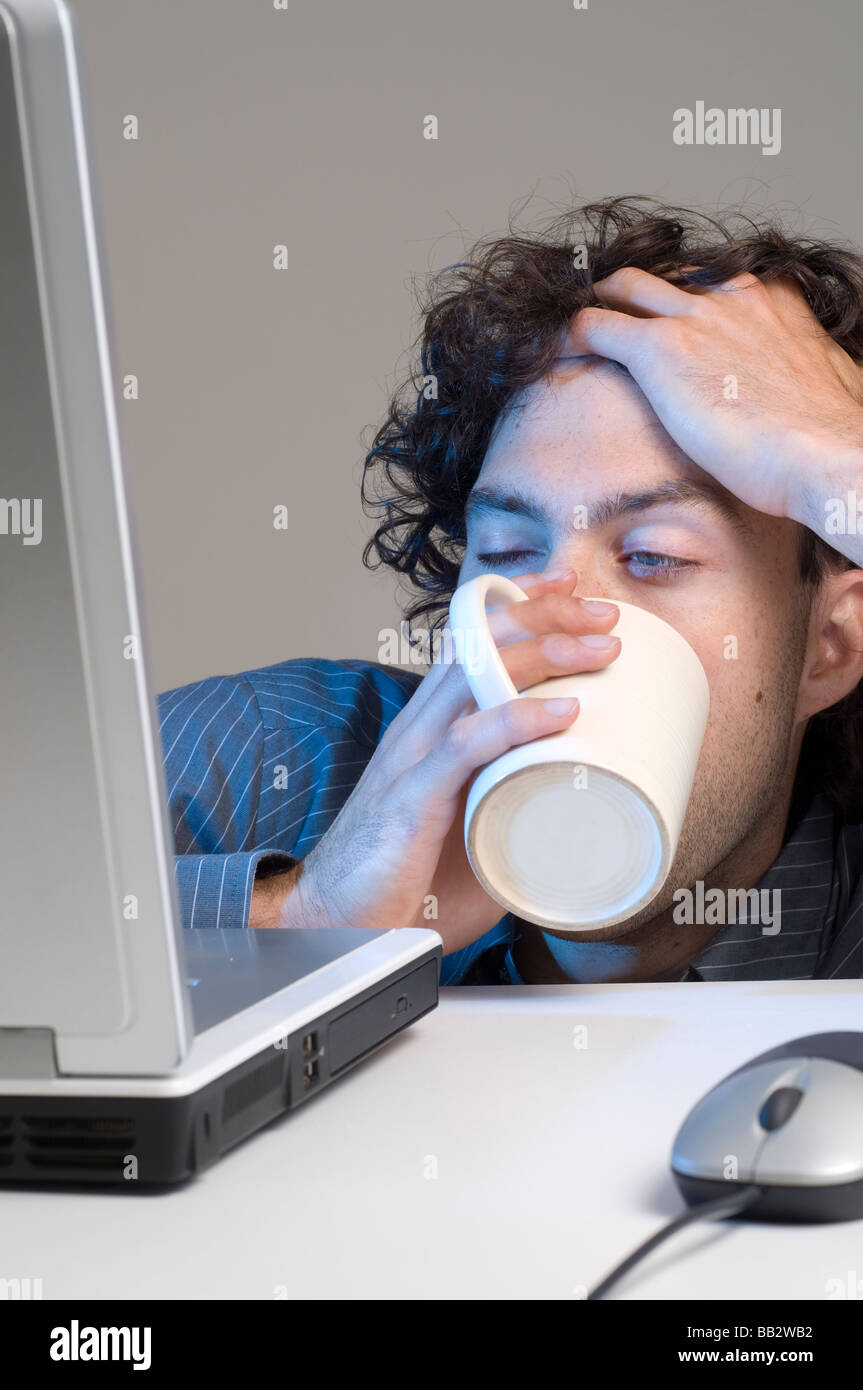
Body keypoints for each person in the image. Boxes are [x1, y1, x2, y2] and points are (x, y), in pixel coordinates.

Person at [158, 195, 863, 984]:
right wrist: (307, 919)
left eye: (655, 556)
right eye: (508, 550)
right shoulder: (264, 758)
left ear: (828, 647)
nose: (555, 614)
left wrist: (842, 458)